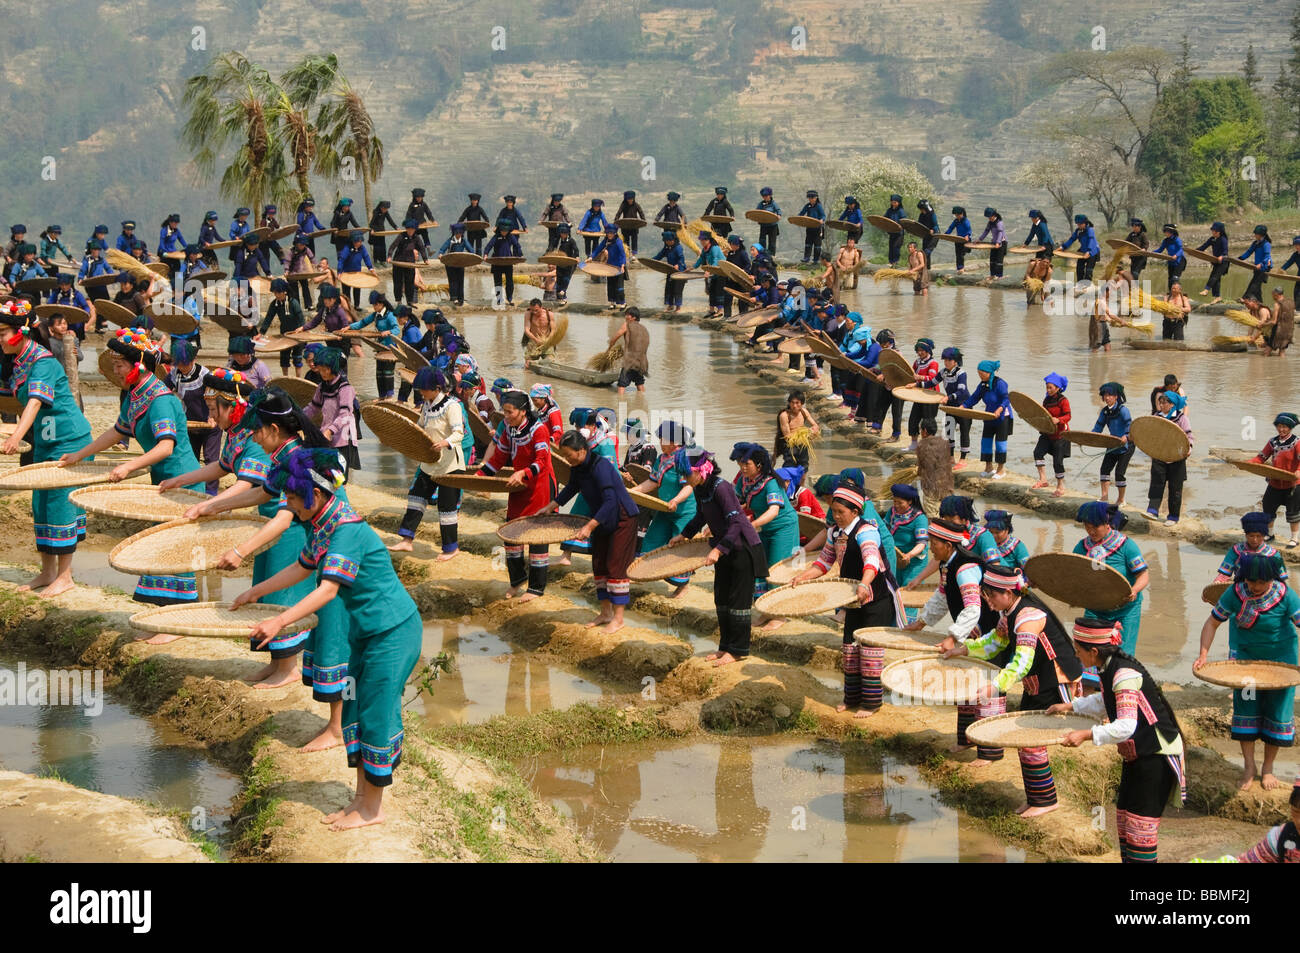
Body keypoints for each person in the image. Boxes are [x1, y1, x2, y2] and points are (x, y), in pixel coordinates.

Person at [236, 447, 421, 830]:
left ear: (315, 494)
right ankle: (359, 801)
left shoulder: (346, 529)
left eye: (291, 496)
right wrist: (255, 593)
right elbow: (302, 567)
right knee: (353, 710)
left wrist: (279, 621)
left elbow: (327, 590)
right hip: (365, 633)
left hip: (392, 633)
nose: (286, 503)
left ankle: (373, 809)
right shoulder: (322, 523)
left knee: (376, 714)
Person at [61, 330, 202, 632]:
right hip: (163, 483)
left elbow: (166, 446)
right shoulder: (136, 394)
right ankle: (162, 623)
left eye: (120, 364)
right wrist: (79, 454)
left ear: (139, 364)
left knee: (175, 553)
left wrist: (128, 466)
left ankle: (176, 627)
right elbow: (118, 432)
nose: (116, 370)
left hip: (183, 484)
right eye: (114, 364)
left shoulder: (160, 399)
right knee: (160, 550)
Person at [943, 565, 1082, 817]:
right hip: (1035, 680)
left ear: (1007, 592)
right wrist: (963, 649)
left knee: (1030, 739)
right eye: (985, 595)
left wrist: (994, 686)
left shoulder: (1028, 616)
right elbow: (995, 641)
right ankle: (1037, 798)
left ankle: (1045, 801)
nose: (988, 601)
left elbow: (1021, 664)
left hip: (1054, 678)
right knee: (1025, 739)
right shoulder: (1009, 612)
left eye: (991, 595)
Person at [1050, 616, 1186, 860]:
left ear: (1093, 651)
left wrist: (1086, 734)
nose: (1076, 655)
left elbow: (1126, 725)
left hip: (1156, 755)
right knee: (1124, 821)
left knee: (1140, 830)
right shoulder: (1108, 668)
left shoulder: (1123, 673)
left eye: (1078, 650)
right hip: (1137, 754)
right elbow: (1107, 701)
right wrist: (1071, 706)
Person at [0, 300, 92, 598]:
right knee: (41, 503)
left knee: (60, 504)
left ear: (20, 332)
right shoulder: (18, 361)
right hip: (45, 440)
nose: (0, 339)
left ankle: (65, 576)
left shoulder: (42, 361)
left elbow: (35, 402)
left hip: (70, 440)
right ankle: (48, 571)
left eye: (3, 332)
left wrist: (15, 437)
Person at [792, 482, 904, 717]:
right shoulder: (835, 533)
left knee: (870, 651)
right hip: (853, 597)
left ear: (855, 512)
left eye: (841, 512)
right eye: (834, 511)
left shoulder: (867, 531)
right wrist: (804, 577)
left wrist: (864, 583)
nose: (837, 516)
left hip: (876, 596)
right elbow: (824, 561)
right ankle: (851, 698)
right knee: (850, 650)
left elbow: (871, 562)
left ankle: (871, 704)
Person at [906, 518, 1006, 762]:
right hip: (970, 632)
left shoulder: (965, 568)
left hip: (987, 632)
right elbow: (943, 595)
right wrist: (922, 621)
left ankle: (990, 750)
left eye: (934, 543)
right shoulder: (948, 566)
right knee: (966, 683)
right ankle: (967, 739)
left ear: (949, 544)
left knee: (987, 684)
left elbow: (973, 608)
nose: (931, 548)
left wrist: (952, 637)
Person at [1197, 553, 1299, 791]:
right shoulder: (1235, 593)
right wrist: (1203, 654)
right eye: (1251, 582)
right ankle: (1249, 766)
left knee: (1277, 712)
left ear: (1270, 580)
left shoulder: (1285, 595)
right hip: (1245, 664)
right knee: (1247, 709)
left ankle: (1268, 768)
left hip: (1280, 663)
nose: (1255, 587)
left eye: (1260, 583)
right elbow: (1212, 623)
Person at [670, 447, 768, 666]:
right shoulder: (700, 488)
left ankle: (739, 650)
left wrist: (717, 550)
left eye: (687, 473)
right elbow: (700, 515)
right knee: (721, 598)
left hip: (742, 547)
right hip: (724, 547)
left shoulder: (721, 487)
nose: (685, 478)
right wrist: (684, 535)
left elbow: (735, 523)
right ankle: (725, 646)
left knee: (738, 601)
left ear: (701, 469)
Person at [545, 430, 640, 633]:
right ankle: (605, 613)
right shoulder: (578, 467)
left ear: (581, 450)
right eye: (564, 455)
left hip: (622, 517)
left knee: (616, 565)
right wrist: (550, 505)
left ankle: (619, 618)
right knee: (599, 563)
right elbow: (571, 488)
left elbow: (611, 501)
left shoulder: (601, 466)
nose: (566, 459)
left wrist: (589, 526)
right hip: (602, 516)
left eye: (569, 455)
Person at [478, 388, 556, 601]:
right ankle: (517, 580)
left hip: (539, 486)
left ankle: (536, 588)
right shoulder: (510, 429)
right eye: (504, 412)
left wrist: (523, 472)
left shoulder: (539, 430)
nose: (506, 416)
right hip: (519, 487)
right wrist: (478, 476)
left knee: (537, 536)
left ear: (523, 411)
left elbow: (542, 460)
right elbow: (498, 458)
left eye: (510, 412)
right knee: (511, 534)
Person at [389, 368, 465, 560]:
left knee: (446, 507)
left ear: (437, 388)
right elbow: (420, 428)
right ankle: (406, 540)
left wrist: (444, 442)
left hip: (449, 465)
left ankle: (451, 548)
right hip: (429, 462)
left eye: (424, 390)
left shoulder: (452, 406)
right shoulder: (426, 405)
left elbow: (459, 433)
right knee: (416, 497)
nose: (421, 393)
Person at [731, 442, 799, 628]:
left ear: (759, 465)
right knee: (759, 567)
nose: (743, 468)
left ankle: (779, 614)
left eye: (747, 464)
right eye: (740, 463)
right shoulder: (743, 481)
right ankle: (765, 610)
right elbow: (736, 505)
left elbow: (774, 511)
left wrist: (752, 525)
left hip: (783, 527)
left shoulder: (770, 483)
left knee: (776, 568)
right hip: (764, 529)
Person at [1073, 501, 1149, 662]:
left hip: (1125, 610)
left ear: (1107, 524)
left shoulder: (1127, 546)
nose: (1091, 531)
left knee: (1122, 653)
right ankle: (1093, 685)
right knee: (1088, 649)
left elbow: (1143, 575)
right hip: (1095, 608)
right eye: (1087, 526)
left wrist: (1134, 590)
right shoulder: (1082, 547)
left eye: (1095, 527)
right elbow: (1072, 574)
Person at [632, 420, 697, 597]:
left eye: (664, 440)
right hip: (664, 509)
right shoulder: (661, 459)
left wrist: (676, 500)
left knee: (679, 550)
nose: (660, 443)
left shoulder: (684, 459)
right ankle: (643, 574)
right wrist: (633, 491)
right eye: (660, 439)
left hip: (683, 511)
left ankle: (682, 586)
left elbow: (689, 487)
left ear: (675, 442)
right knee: (652, 540)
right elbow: (652, 481)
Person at [306, 347, 360, 473]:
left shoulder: (345, 388)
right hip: (326, 432)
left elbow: (345, 415)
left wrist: (330, 431)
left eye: (325, 370)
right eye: (321, 370)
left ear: (334, 369)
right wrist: (299, 417)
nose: (323, 373)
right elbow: (313, 407)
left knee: (338, 476)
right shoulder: (322, 386)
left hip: (343, 437)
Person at [1144, 390, 1193, 525]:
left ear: (1172, 404)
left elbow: (1188, 436)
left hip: (1177, 458)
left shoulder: (1182, 418)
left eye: (1164, 402)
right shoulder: (1156, 416)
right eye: (1160, 402)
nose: (1161, 404)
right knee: (1156, 484)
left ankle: (1173, 517)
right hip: (1159, 455)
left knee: (1175, 488)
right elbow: (1149, 433)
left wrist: (1189, 449)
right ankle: (1152, 510)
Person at [963, 359, 1013, 479]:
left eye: (982, 373)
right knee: (986, 442)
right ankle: (989, 467)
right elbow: (974, 397)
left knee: (1000, 444)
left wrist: (999, 409)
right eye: (978, 373)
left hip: (1002, 417)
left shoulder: (1000, 383)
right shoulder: (983, 385)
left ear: (989, 372)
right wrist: (963, 406)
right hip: (989, 416)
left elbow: (1006, 399)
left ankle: (1001, 470)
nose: (980, 376)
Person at [1026, 372, 1071, 497]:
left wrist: (1059, 420)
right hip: (1047, 433)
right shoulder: (1046, 400)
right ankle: (1043, 479)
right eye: (1047, 387)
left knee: (1058, 462)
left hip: (1061, 435)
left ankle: (1060, 486)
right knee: (1038, 453)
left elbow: (1068, 415)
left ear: (1058, 388)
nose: (1048, 390)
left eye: (1051, 387)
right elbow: (1043, 414)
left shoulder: (1063, 400)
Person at [1214, 512, 1287, 587]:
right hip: (1240, 590)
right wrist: (1218, 582)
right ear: (1246, 534)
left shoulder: (1273, 554)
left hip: (1266, 592)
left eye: (1258, 536)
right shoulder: (1236, 551)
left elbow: (1281, 581)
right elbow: (1224, 574)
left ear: (1264, 535)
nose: (1255, 540)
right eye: (1251, 536)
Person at [350, 291, 400, 398]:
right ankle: (381, 396)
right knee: (379, 373)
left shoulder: (390, 315)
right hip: (380, 348)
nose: (374, 307)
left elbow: (396, 329)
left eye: (375, 304)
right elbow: (362, 323)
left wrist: (388, 332)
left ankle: (390, 397)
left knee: (388, 373)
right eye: (373, 305)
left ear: (381, 304)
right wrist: (349, 327)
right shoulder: (376, 315)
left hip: (389, 349)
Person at [1093, 381, 1134, 504]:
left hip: (1126, 445)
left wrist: (1126, 436)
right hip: (1113, 443)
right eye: (1105, 395)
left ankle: (1121, 500)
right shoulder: (1105, 411)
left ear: (1116, 396)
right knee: (1104, 470)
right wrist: (1088, 438)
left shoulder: (1123, 410)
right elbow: (1097, 428)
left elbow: (1129, 425)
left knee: (1119, 474)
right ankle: (1104, 496)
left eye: (1110, 395)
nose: (1107, 398)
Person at [257, 278, 305, 377]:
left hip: (297, 334)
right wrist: (261, 333)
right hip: (284, 334)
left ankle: (299, 379)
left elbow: (301, 318)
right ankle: (285, 378)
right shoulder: (275, 304)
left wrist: (302, 332)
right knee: (284, 358)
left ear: (285, 291)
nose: (276, 295)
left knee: (297, 358)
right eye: (275, 293)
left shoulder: (293, 302)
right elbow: (268, 318)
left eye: (278, 293)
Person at [886, 484, 929, 587]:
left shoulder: (920, 518)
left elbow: (922, 543)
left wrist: (909, 555)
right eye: (894, 501)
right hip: (896, 557)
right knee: (894, 586)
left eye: (900, 502)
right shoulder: (891, 512)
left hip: (914, 559)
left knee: (909, 586)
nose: (896, 505)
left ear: (910, 501)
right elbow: (885, 530)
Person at [388, 219, 430, 307]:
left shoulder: (416, 237)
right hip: (399, 261)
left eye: (412, 229)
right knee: (398, 282)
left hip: (410, 262)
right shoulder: (401, 236)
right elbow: (393, 246)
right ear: (406, 229)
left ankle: (410, 301)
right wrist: (389, 256)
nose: (410, 231)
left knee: (410, 282)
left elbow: (422, 248)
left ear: (415, 229)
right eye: (408, 229)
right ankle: (399, 301)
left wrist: (425, 259)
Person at [774, 391, 820, 470]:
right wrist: (804, 436)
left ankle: (801, 482)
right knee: (789, 467)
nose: (794, 406)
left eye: (797, 403)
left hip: (803, 444)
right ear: (789, 403)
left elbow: (815, 425)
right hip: (790, 446)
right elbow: (787, 436)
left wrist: (813, 431)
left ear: (802, 403)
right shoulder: (784, 415)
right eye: (792, 403)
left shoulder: (804, 412)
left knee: (804, 467)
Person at [610, 307, 648, 396]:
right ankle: (642, 402)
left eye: (628, 315)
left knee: (621, 384)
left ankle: (621, 405)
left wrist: (610, 346)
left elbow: (616, 336)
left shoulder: (627, 325)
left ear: (633, 317)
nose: (626, 316)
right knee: (639, 382)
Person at [484, 220, 522, 307]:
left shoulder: (511, 237)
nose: (504, 232)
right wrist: (486, 254)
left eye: (506, 231)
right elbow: (489, 246)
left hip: (508, 262)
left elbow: (517, 246)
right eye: (502, 231)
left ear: (508, 230)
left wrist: (518, 256)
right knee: (498, 282)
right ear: (500, 230)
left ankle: (509, 299)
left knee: (509, 282)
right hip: (497, 262)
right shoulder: (496, 237)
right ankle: (499, 299)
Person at [590, 224, 628, 311]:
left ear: (614, 233)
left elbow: (622, 254)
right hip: (609, 267)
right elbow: (598, 249)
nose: (609, 235)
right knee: (610, 285)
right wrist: (591, 257)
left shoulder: (618, 241)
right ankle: (612, 303)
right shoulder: (606, 241)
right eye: (608, 233)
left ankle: (623, 303)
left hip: (618, 267)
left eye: (611, 233)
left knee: (619, 286)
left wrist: (622, 265)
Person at [336, 230, 377, 310]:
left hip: (357, 272)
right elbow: (341, 260)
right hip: (347, 273)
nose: (359, 243)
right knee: (346, 291)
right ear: (353, 241)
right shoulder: (347, 248)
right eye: (358, 241)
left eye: (360, 241)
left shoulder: (362, 248)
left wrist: (371, 269)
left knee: (357, 289)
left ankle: (357, 305)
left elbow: (366, 257)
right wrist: (339, 271)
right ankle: (348, 306)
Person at [436, 223, 472, 307]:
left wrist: (470, 257)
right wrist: (440, 254)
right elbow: (442, 249)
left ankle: (461, 299)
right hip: (450, 264)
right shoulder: (450, 240)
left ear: (462, 233)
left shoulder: (464, 241)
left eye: (460, 233)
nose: (458, 235)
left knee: (460, 280)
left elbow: (471, 250)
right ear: (454, 233)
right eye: (457, 233)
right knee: (453, 281)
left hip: (460, 263)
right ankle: (454, 298)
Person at [652, 229, 687, 312]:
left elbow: (681, 258)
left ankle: (678, 308)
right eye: (666, 241)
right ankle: (670, 306)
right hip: (670, 271)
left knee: (677, 290)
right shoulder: (667, 248)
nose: (667, 242)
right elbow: (659, 255)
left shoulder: (678, 248)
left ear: (673, 240)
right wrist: (651, 261)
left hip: (679, 272)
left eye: (668, 241)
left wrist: (678, 265)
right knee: (669, 289)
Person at [1061, 214, 1101, 283]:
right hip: (1082, 251)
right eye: (1078, 224)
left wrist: (1089, 251)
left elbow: (1091, 241)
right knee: (1079, 268)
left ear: (1085, 223)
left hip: (1092, 252)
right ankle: (1079, 283)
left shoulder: (1090, 230)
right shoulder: (1078, 231)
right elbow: (1072, 239)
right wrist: (1063, 247)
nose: (1079, 226)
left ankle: (1087, 285)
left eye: (1080, 224)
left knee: (1088, 270)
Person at [1239, 224, 1273, 303]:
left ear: (1261, 235)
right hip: (1257, 267)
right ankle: (1260, 303)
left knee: (1254, 284)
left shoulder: (1266, 244)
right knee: (1257, 287)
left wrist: (1261, 264)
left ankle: (1245, 298)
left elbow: (1267, 257)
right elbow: (1248, 252)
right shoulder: (1255, 243)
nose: (1255, 235)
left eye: (1256, 234)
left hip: (1264, 267)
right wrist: (1240, 259)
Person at [1197, 222, 1229, 302]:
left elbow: (1225, 252)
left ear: (1219, 232)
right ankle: (1217, 297)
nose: (1213, 232)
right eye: (1212, 230)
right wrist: (1194, 251)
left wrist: (1221, 256)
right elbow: (1203, 247)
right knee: (1216, 279)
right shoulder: (1212, 239)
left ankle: (1206, 290)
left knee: (1214, 276)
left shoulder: (1223, 240)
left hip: (1223, 262)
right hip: (1216, 262)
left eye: (1214, 231)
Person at [550, 223, 580, 305]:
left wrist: (576, 257)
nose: (563, 235)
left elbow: (576, 250)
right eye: (562, 233)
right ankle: (560, 298)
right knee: (559, 279)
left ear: (568, 233)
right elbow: (552, 247)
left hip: (569, 264)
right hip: (560, 263)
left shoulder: (571, 241)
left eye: (565, 233)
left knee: (566, 279)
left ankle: (564, 295)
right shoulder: (558, 240)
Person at [1152, 223, 1186, 293]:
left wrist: (1176, 255)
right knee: (1170, 279)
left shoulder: (1177, 240)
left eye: (1167, 231)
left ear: (1171, 232)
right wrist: (1151, 253)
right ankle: (1171, 293)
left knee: (1175, 278)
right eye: (1165, 231)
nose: (1165, 233)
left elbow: (1181, 249)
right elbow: (1160, 250)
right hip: (1171, 261)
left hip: (1180, 261)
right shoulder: (1166, 241)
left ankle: (1178, 294)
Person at [975, 207, 1007, 281]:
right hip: (993, 243)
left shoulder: (999, 222)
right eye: (988, 217)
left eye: (990, 217)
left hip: (1001, 243)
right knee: (992, 260)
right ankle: (992, 275)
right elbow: (986, 231)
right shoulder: (990, 223)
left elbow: (1000, 233)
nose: (989, 218)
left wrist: (998, 243)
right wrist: (979, 239)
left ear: (994, 215)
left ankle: (999, 276)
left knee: (999, 261)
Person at [797, 190, 826, 263]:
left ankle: (816, 260)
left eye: (812, 198)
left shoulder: (819, 206)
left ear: (816, 198)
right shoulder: (808, 206)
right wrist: (797, 218)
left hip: (818, 228)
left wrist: (821, 220)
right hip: (809, 228)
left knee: (817, 245)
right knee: (808, 243)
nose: (810, 199)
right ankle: (806, 258)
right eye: (809, 198)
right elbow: (801, 213)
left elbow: (823, 216)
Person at [945, 207, 972, 272]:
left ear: (962, 214)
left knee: (961, 254)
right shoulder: (956, 221)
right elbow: (951, 228)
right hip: (958, 239)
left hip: (965, 240)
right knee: (958, 254)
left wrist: (967, 235)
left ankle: (961, 268)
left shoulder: (966, 221)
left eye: (958, 215)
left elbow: (969, 230)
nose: (957, 216)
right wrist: (946, 234)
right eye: (956, 215)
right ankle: (959, 268)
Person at [755, 187, 780, 257]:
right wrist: (757, 218)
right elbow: (756, 212)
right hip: (764, 225)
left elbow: (778, 211)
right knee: (762, 240)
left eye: (766, 196)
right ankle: (762, 254)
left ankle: (771, 255)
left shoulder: (774, 204)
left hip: (773, 225)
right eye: (763, 196)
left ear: (770, 195)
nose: (765, 197)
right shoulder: (761, 204)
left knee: (772, 242)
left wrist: (778, 215)